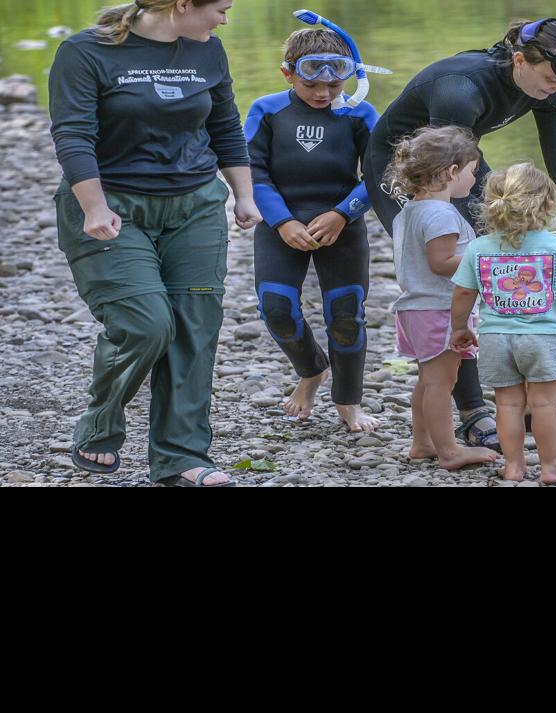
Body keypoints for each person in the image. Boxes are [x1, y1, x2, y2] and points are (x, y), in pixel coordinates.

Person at [361, 16, 556, 451]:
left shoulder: (555, 84)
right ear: (520, 61)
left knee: (497, 266)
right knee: (457, 275)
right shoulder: (460, 88)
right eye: (551, 79)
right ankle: (474, 414)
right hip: (407, 171)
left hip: (461, 167)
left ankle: (518, 398)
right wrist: (512, 228)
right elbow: (460, 167)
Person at [49, 0, 262, 487]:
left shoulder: (208, 51)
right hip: (113, 206)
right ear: (182, 5)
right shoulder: (85, 52)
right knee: (145, 324)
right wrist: (94, 207)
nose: (225, 19)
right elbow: (73, 136)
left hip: (196, 207)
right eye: (221, 9)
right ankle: (100, 421)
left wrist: (244, 196)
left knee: (194, 327)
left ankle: (182, 457)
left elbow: (225, 126)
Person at [245, 23, 379, 431]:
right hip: (280, 225)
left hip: (342, 226)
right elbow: (253, 172)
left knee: (346, 315)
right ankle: (311, 370)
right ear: (287, 74)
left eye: (335, 86)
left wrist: (343, 213)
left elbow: (380, 173)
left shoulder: (359, 113)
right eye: (311, 86)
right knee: (276, 309)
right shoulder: (266, 111)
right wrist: (282, 221)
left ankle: (348, 402)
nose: (323, 94)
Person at [449, 163, 556, 485]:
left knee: (507, 403)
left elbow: (462, 293)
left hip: (496, 337)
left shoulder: (479, 248)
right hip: (544, 336)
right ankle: (552, 467)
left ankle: (514, 466)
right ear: (546, 203)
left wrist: (460, 327)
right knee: (545, 404)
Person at [383, 126, 499, 473]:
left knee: (428, 381)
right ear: (451, 172)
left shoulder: (410, 210)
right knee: (440, 383)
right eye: (472, 172)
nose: (473, 180)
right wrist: (486, 261)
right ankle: (449, 452)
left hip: (416, 307)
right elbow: (441, 263)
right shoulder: (441, 213)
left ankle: (423, 443)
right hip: (437, 309)